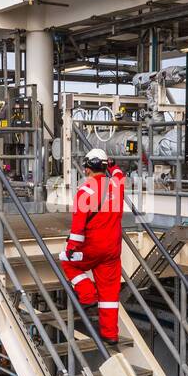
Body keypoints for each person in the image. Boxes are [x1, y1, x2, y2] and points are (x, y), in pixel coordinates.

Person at [60, 147, 125, 344]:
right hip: (113, 250)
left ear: (87, 169)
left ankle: (88, 295)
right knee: (110, 295)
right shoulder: (117, 184)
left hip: (93, 249)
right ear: (104, 167)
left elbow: (78, 226)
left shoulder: (84, 191)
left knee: (66, 262)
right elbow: (119, 173)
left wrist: (71, 248)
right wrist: (113, 165)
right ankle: (110, 335)